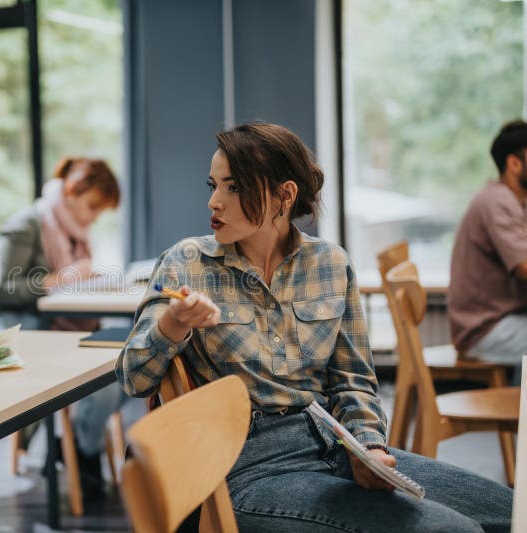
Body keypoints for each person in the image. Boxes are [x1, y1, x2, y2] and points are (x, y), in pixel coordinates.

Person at [116, 122, 512, 532]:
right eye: (213, 185)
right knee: (453, 531)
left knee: (513, 513)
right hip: (246, 467)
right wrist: (173, 323)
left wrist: (370, 449)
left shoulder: (330, 264)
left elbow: (353, 380)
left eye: (232, 188)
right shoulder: (187, 263)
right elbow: (133, 378)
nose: (214, 201)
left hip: (333, 443)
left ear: (284, 195)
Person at [0, 157, 128, 500]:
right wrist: (56, 281)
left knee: (124, 368)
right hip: (23, 331)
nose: (92, 217)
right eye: (91, 206)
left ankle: (74, 446)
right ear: (72, 191)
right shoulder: (27, 224)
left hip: (54, 327)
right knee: (105, 380)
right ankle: (80, 452)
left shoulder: (73, 232)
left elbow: (71, 278)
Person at [448, 119, 527, 378]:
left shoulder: (513, 201)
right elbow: (524, 267)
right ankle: (518, 416)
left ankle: (517, 413)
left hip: (500, 321)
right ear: (514, 163)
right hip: (485, 329)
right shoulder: (498, 201)